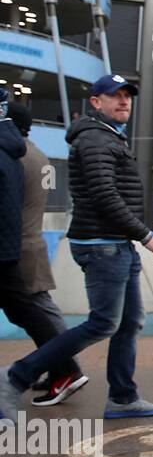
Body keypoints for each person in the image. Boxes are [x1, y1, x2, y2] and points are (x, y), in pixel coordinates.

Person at [1, 75, 153, 423]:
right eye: (115, 96)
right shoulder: (95, 139)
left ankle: (123, 396)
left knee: (128, 322)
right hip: (102, 245)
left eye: (127, 96)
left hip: (114, 243)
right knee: (102, 323)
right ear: (95, 102)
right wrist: (146, 236)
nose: (124, 101)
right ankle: (15, 376)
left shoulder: (107, 136)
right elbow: (104, 195)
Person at [5, 103, 88, 406]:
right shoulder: (39, 156)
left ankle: (66, 369)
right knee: (37, 311)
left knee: (37, 313)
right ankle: (60, 368)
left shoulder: (15, 156)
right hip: (32, 240)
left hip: (19, 246)